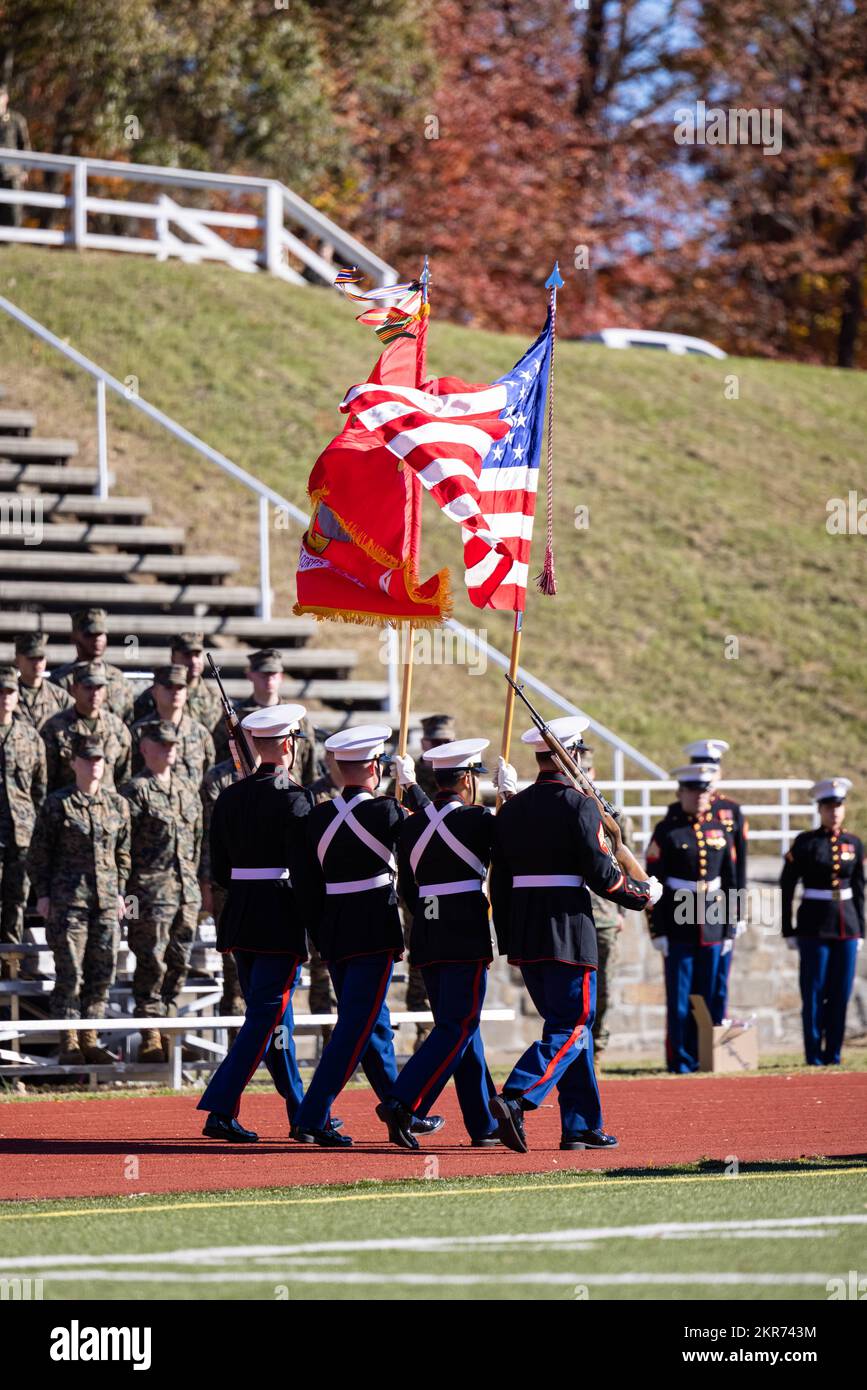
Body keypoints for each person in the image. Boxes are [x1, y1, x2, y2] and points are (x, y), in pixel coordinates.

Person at [489, 717, 659, 1152]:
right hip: (568, 929)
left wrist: (509, 939)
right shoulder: (579, 805)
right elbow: (602, 874)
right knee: (574, 1024)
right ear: (573, 755)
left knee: (565, 1025)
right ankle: (516, 1095)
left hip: (527, 934)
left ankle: (581, 1125)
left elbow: (501, 881)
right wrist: (642, 893)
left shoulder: (514, 809)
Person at [291, 725, 443, 1147]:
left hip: (334, 929)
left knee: (374, 1029)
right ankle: (312, 1115)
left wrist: (318, 928)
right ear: (375, 768)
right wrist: (412, 789)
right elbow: (435, 837)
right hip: (373, 927)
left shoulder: (318, 815)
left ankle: (403, 1110)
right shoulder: (388, 811)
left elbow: (305, 882)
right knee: (356, 1025)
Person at [196, 704, 314, 1142]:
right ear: (287, 744)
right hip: (279, 917)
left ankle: (302, 1111)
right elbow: (305, 867)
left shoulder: (230, 795)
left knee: (275, 1018)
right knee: (265, 1017)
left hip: (241, 914)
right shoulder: (296, 796)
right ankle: (221, 1107)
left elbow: (221, 870)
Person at [378, 738, 499, 1149]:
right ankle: (402, 1102)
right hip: (464, 932)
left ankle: (484, 1122)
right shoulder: (480, 819)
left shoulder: (411, 824)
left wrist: (411, 788)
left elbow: (410, 890)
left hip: (428, 934)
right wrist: (512, 797)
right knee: (457, 1025)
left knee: (465, 1028)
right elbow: (513, 841)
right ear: (467, 779)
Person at [27, 732, 130, 1066]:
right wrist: (42, 894)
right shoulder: (58, 803)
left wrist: (120, 892)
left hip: (104, 904)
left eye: (98, 759)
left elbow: (123, 854)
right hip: (67, 902)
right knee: (70, 972)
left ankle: (90, 1038)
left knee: (102, 973)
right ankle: (69, 1039)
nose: (94, 764)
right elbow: (39, 853)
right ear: (74, 763)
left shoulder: (117, 805)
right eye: (87, 758)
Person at [121, 720, 203, 1062]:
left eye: (172, 744)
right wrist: (126, 897)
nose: (168, 749)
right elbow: (121, 847)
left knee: (179, 961)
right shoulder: (134, 791)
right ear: (144, 748)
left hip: (185, 893)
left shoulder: (186, 789)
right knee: (150, 960)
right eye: (160, 744)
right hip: (146, 894)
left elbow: (197, 841)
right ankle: (150, 1032)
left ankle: (168, 1025)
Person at [646, 764, 736, 1074]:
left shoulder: (721, 830)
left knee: (708, 995)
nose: (699, 797)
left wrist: (730, 928)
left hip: (712, 921)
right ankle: (680, 1060)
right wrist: (657, 930)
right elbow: (653, 885)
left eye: (704, 791)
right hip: (677, 923)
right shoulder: (667, 831)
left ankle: (706, 1057)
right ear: (680, 793)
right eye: (693, 791)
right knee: (680, 998)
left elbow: (731, 880)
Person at [781, 778, 864, 1067]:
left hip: (847, 926)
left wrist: (861, 930)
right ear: (820, 809)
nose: (834, 812)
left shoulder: (854, 843)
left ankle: (834, 1054)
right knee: (814, 993)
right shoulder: (806, 843)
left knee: (840, 994)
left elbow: (859, 889)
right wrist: (787, 928)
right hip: (814, 926)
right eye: (829, 807)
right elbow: (787, 885)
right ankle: (814, 1055)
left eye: (838, 806)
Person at [681, 739, 749, 1023]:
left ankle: (715, 1038)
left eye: (712, 768)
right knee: (688, 977)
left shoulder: (730, 810)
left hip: (718, 902)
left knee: (719, 975)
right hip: (686, 902)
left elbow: (739, 865)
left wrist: (738, 911)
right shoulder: (684, 809)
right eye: (701, 767)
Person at [579, 744, 636, 1059]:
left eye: (586, 772)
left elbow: (628, 865)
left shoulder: (614, 816)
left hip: (604, 915)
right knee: (575, 994)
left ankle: (597, 1050)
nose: (583, 778)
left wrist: (622, 912)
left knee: (605, 990)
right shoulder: (566, 809)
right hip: (573, 912)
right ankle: (577, 1051)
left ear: (594, 773)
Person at [214, 648, 318, 785]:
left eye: (273, 673)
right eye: (263, 673)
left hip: (291, 793)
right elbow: (220, 760)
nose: (269, 678)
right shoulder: (236, 718)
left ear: (281, 676)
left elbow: (309, 769)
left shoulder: (297, 719)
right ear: (250, 675)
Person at [0, 666, 46, 945]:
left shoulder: (30, 739)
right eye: (0, 691)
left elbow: (39, 788)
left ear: (18, 696)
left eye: (10, 691)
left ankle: (10, 961)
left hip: (21, 833)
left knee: (16, 899)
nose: (5, 697)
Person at [41, 661, 132, 792]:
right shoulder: (55, 728)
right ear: (74, 689)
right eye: (88, 687)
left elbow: (123, 777)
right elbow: (46, 778)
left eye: (99, 687)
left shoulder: (117, 728)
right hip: (68, 807)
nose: (95, 693)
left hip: (107, 807)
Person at [199, 754, 244, 1017]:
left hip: (269, 886)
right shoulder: (219, 778)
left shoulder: (279, 776)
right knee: (233, 969)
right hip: (226, 882)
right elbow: (209, 835)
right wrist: (206, 883)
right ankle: (237, 1044)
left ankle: (266, 1048)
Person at [130, 665, 215, 787]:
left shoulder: (201, 734)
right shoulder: (140, 732)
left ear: (187, 693)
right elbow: (129, 776)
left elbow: (208, 778)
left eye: (180, 687)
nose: (175, 692)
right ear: (154, 692)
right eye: (169, 687)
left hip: (191, 804)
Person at [49, 608, 133, 723]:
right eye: (90, 634)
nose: (97, 639)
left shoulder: (118, 679)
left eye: (101, 634)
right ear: (74, 637)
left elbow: (129, 722)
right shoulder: (60, 681)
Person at [132, 633, 221, 734]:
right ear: (173, 658)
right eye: (187, 655)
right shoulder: (153, 697)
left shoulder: (214, 697)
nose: (193, 661)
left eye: (197, 655)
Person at [14, 632, 72, 730]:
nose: (37, 663)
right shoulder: (7, 694)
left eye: (40, 658)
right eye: (31, 658)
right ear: (17, 661)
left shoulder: (59, 696)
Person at [0, 85, 30, 231]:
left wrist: (25, 170)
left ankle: (11, 242)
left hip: (11, 173)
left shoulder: (16, 120)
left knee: (12, 211)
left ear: (6, 98)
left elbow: (25, 146)